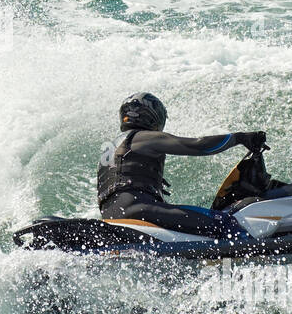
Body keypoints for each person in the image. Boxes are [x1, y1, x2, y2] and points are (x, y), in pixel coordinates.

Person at [97, 92, 267, 235]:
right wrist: (240, 138)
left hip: (113, 218)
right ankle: (255, 260)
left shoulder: (112, 148)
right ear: (153, 116)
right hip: (140, 211)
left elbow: (123, 179)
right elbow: (200, 146)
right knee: (225, 223)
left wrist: (148, 181)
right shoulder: (144, 137)